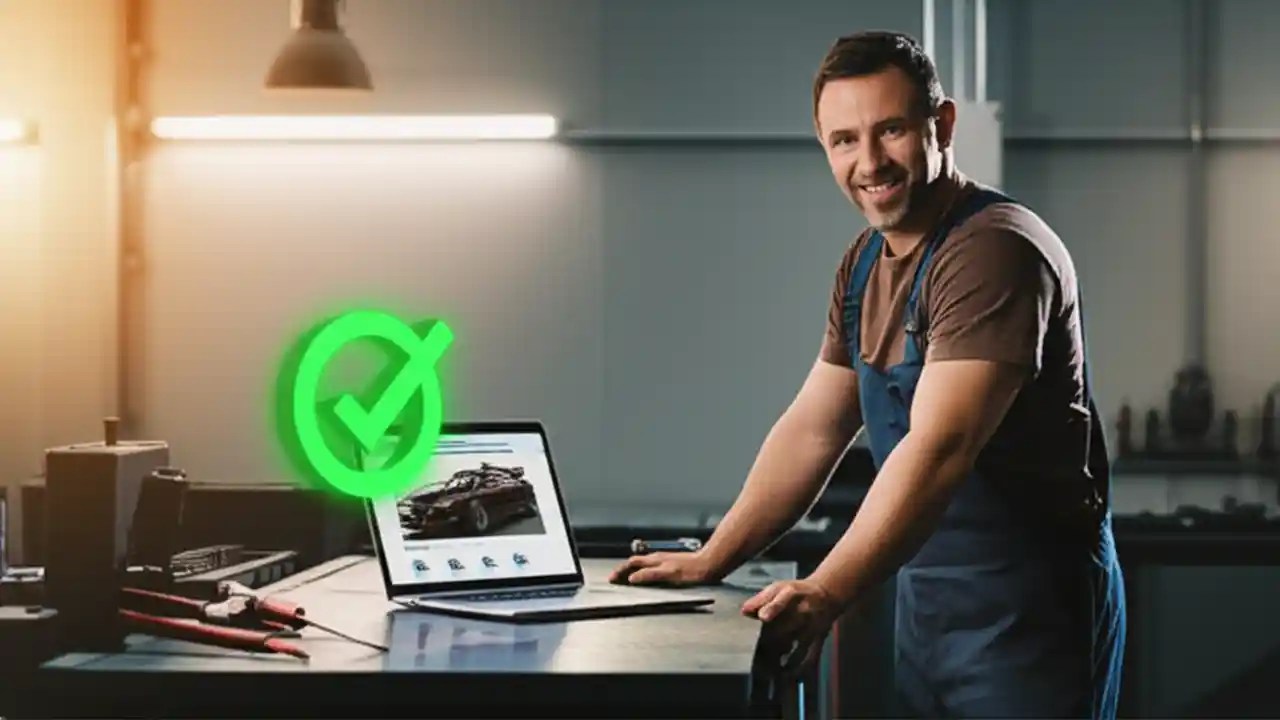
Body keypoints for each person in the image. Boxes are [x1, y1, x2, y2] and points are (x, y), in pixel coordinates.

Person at [610, 30, 1126, 719]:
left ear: (939, 126)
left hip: (1032, 612)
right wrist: (714, 558)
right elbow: (813, 431)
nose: (870, 162)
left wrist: (826, 591)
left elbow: (939, 449)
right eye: (844, 140)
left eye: (890, 130)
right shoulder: (863, 266)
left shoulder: (994, 250)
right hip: (928, 601)